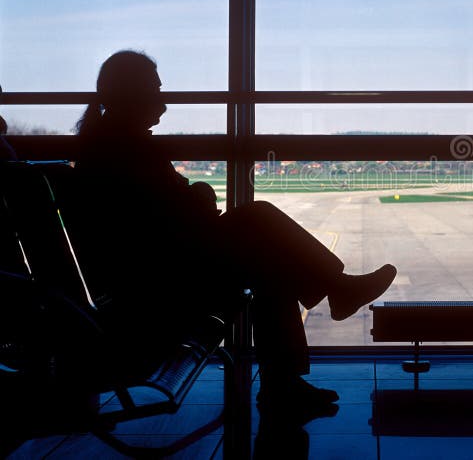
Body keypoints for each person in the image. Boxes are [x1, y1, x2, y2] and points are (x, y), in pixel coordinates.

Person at [66, 50, 397, 421]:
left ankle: (323, 316)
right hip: (156, 290)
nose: (164, 99)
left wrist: (194, 200)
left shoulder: (106, 145)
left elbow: (162, 216)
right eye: (156, 90)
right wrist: (199, 197)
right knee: (261, 223)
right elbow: (175, 217)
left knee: (269, 254)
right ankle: (330, 301)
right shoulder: (128, 148)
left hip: (146, 279)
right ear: (132, 93)